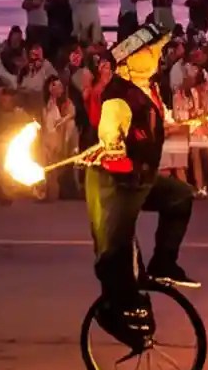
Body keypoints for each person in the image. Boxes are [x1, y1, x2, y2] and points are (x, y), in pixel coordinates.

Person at [82, 23, 199, 351]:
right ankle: (115, 312)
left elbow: (152, 125)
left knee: (180, 196)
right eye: (151, 51)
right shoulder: (117, 97)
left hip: (141, 179)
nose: (157, 54)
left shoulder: (150, 89)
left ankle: (164, 261)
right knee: (116, 254)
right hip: (115, 183)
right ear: (130, 61)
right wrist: (111, 145)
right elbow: (109, 131)